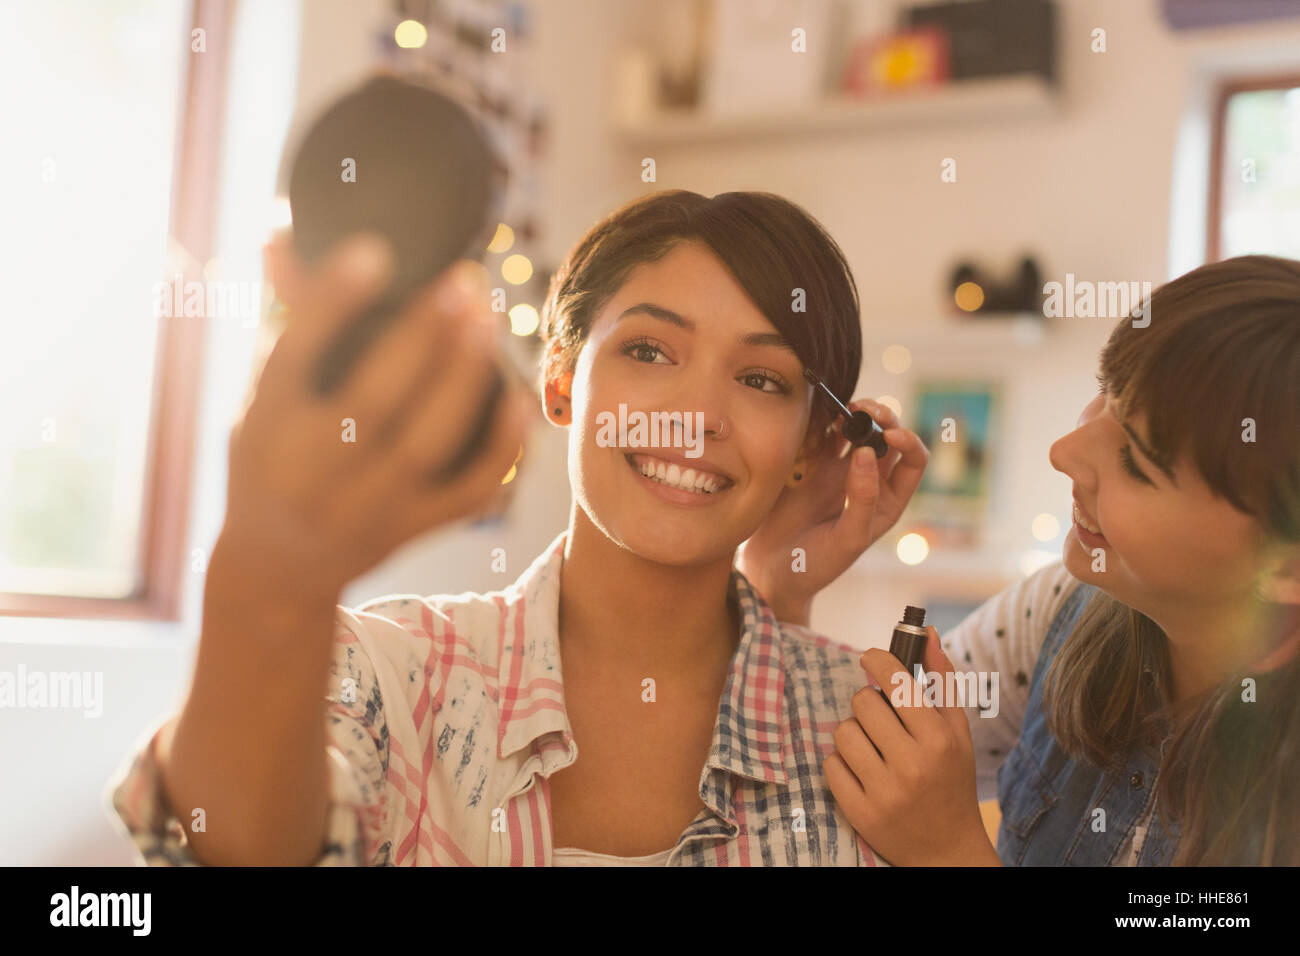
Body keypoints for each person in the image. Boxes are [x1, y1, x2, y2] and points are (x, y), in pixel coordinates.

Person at [103, 189, 929, 866]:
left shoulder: (873, 729)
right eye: (648, 352)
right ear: (562, 384)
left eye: (760, 378)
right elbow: (218, 843)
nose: (696, 418)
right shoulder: (391, 670)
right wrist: (268, 574)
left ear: (808, 447)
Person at [811, 255, 1300, 866]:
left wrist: (949, 853)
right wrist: (788, 573)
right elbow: (841, 759)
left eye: (1136, 462)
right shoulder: (1062, 611)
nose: (1064, 452)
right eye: (1105, 394)